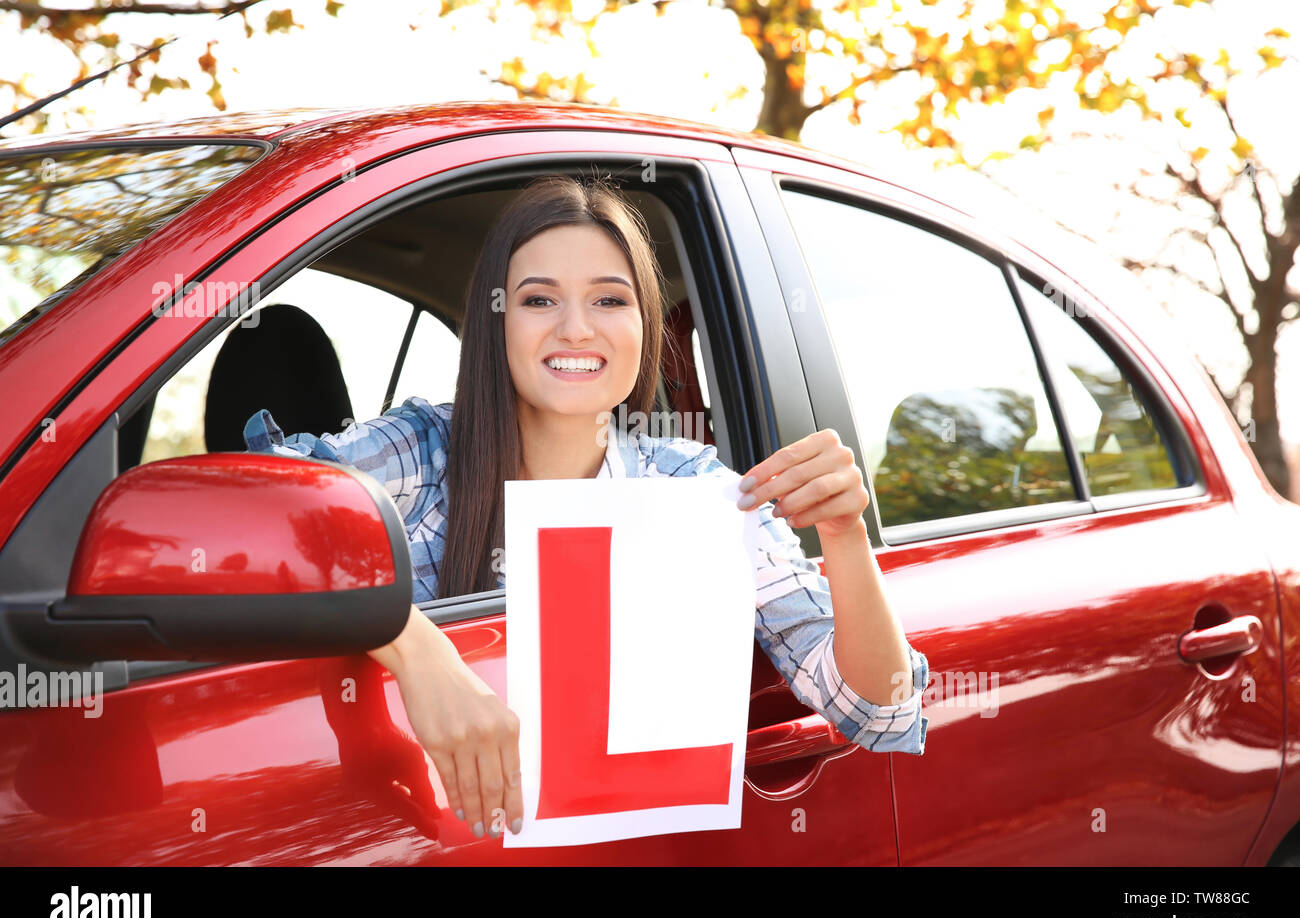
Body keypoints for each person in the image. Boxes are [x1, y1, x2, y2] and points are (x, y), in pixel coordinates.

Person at [243, 174, 929, 843]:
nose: (576, 329)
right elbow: (252, 520)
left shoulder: (693, 489)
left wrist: (843, 535)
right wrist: (416, 649)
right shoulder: (422, 451)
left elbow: (879, 710)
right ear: (497, 321)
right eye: (540, 301)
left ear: (644, 324)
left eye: (609, 300)